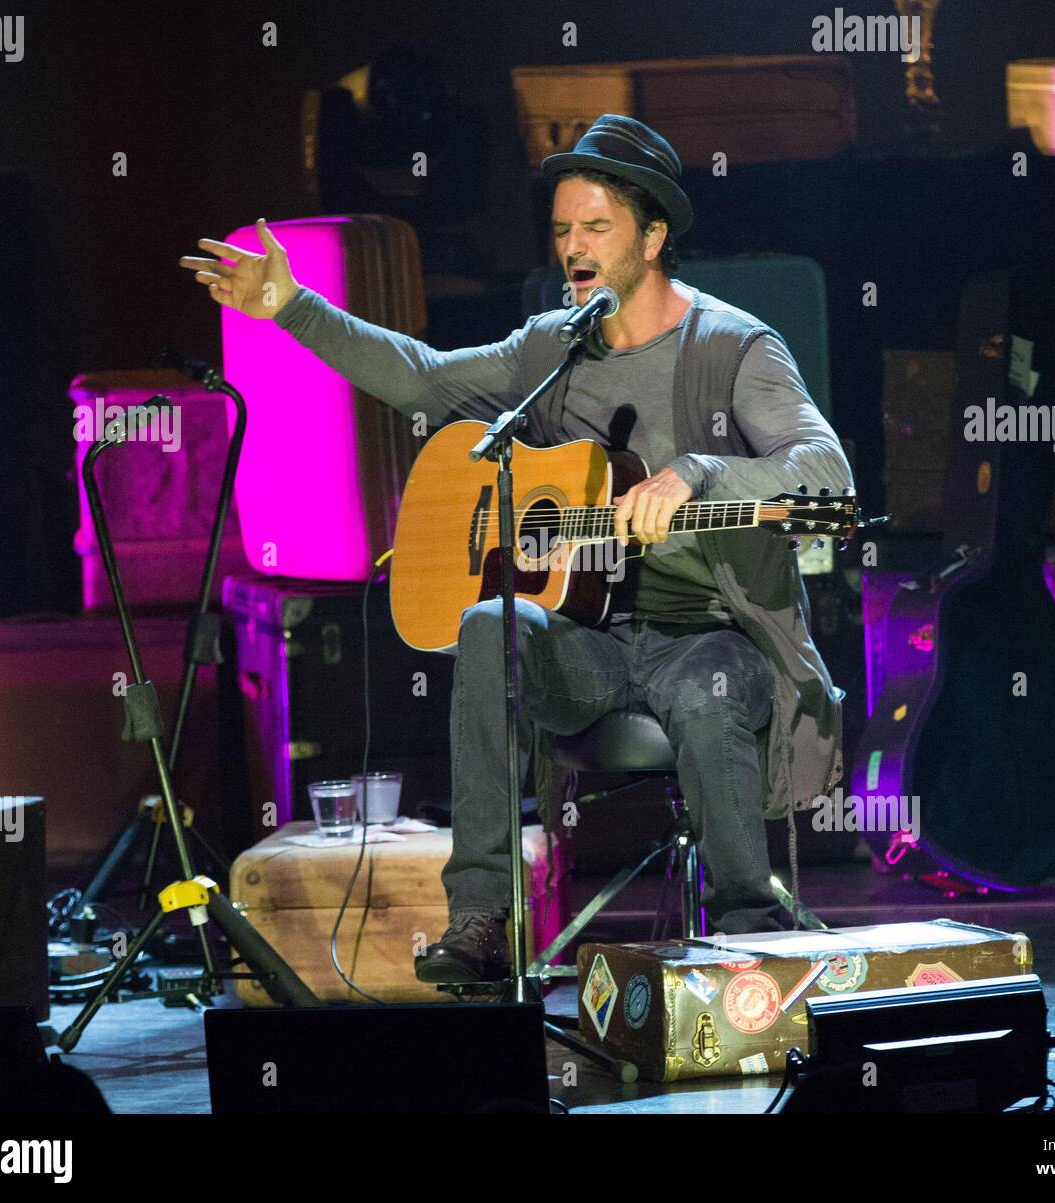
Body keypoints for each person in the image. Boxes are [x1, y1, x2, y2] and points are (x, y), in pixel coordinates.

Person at [181, 114, 852, 983]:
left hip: (710, 633)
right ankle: (482, 919)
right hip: (593, 646)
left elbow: (824, 469)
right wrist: (294, 308)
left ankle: (749, 931)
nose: (574, 248)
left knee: (705, 686)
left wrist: (695, 473)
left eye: (597, 229)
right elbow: (423, 378)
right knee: (491, 622)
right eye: (563, 229)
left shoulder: (733, 347)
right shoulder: (553, 345)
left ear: (653, 237)